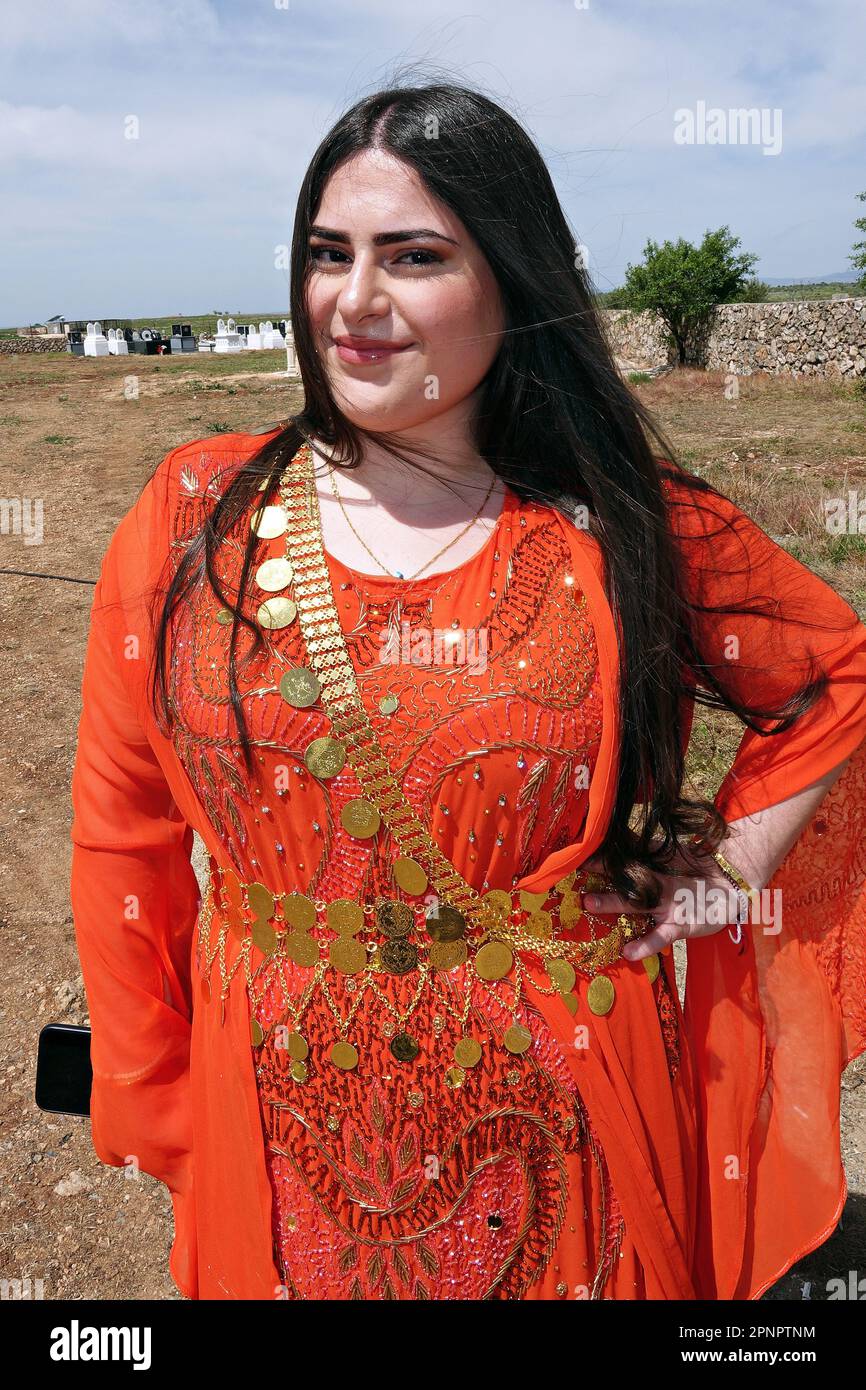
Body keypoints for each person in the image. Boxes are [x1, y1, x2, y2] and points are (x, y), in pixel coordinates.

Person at [70, 82, 866, 1301]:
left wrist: (732, 876)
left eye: (415, 257)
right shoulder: (195, 520)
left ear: (512, 282)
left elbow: (831, 676)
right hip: (275, 1115)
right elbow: (120, 830)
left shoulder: (617, 521)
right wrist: (156, 1092)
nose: (355, 301)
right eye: (328, 255)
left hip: (569, 1111)